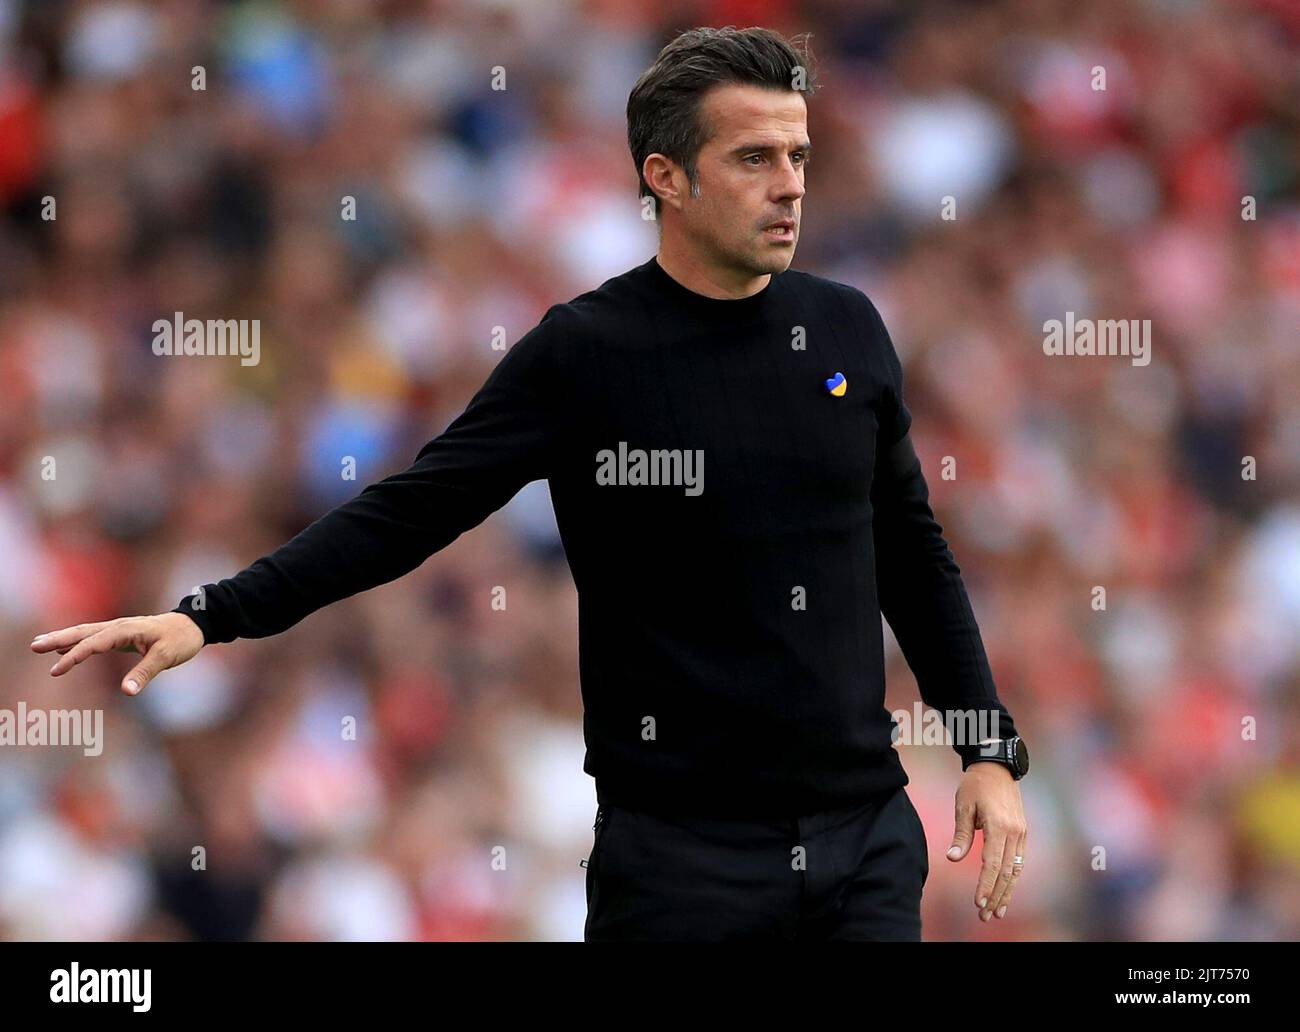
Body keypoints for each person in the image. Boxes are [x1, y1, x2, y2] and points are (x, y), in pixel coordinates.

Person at [30, 26, 1028, 941]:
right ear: (666, 177)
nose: (789, 185)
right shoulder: (586, 354)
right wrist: (214, 615)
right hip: (684, 862)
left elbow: (910, 550)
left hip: (865, 839)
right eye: (753, 158)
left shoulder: (848, 327)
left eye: (798, 156)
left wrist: (984, 745)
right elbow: (413, 510)